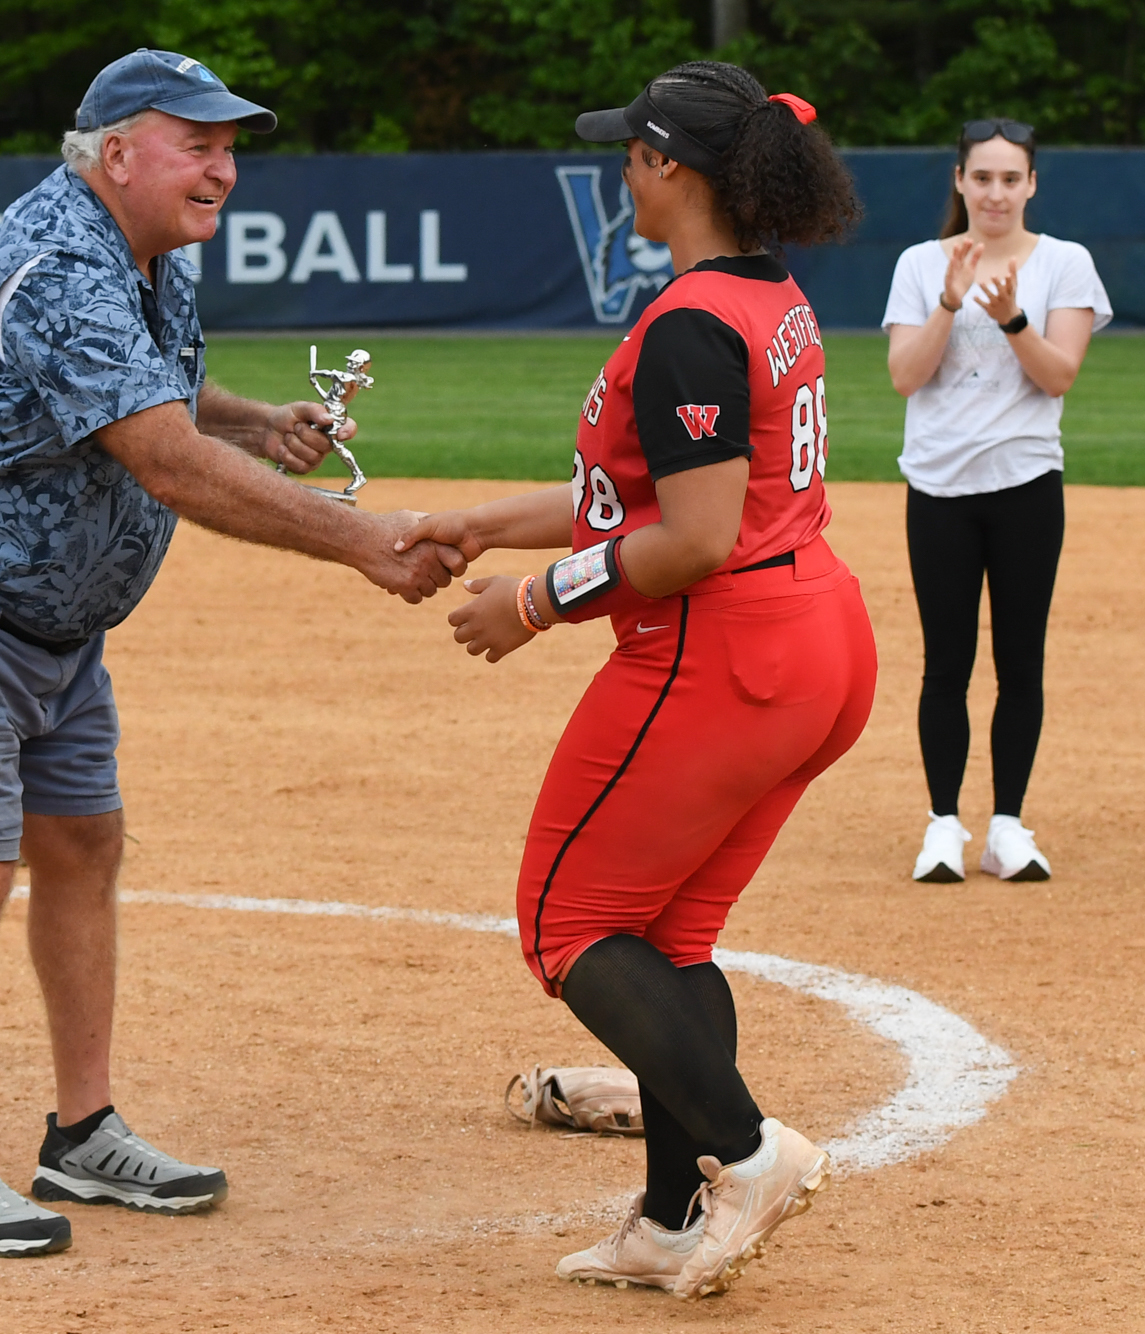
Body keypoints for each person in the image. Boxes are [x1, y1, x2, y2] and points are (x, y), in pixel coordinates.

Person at [0, 49, 462, 1258]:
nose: (222, 166)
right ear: (115, 154)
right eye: (195, 143)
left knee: (82, 844)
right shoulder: (54, 262)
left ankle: (83, 1128)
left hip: (48, 622)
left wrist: (256, 417)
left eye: (229, 147)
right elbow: (159, 455)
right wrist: (365, 542)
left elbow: (162, 386)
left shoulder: (146, 255)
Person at [399, 62, 874, 1299]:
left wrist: (529, 602)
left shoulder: (688, 326)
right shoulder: (757, 294)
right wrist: (479, 522)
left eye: (633, 152)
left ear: (672, 170)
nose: (622, 170)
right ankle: (666, 1221)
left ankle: (751, 1152)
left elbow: (694, 537)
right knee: (668, 934)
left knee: (568, 924)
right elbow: (641, 496)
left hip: (723, 647)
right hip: (810, 638)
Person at [881, 120, 1111, 884]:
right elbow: (905, 376)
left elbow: (1059, 375)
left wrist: (1011, 316)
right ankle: (943, 824)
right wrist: (949, 303)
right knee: (945, 664)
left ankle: (1007, 825)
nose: (997, 193)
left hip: (1026, 487)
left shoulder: (1065, 263)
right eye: (983, 178)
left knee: (1021, 661)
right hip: (940, 489)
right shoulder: (920, 264)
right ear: (959, 181)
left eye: (1011, 179)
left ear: (1032, 185)